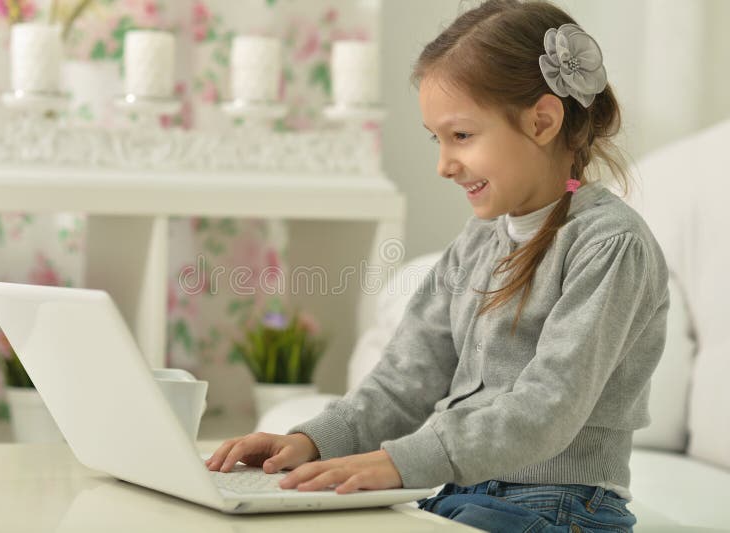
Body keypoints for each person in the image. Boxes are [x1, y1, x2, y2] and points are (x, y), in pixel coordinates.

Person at [205, 1, 669, 530]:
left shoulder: (610, 245)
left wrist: (399, 462)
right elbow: (404, 379)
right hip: (460, 492)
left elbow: (548, 407)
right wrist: (311, 440)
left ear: (542, 121)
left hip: (564, 505)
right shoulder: (476, 243)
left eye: (462, 136)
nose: (444, 165)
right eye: (437, 139)